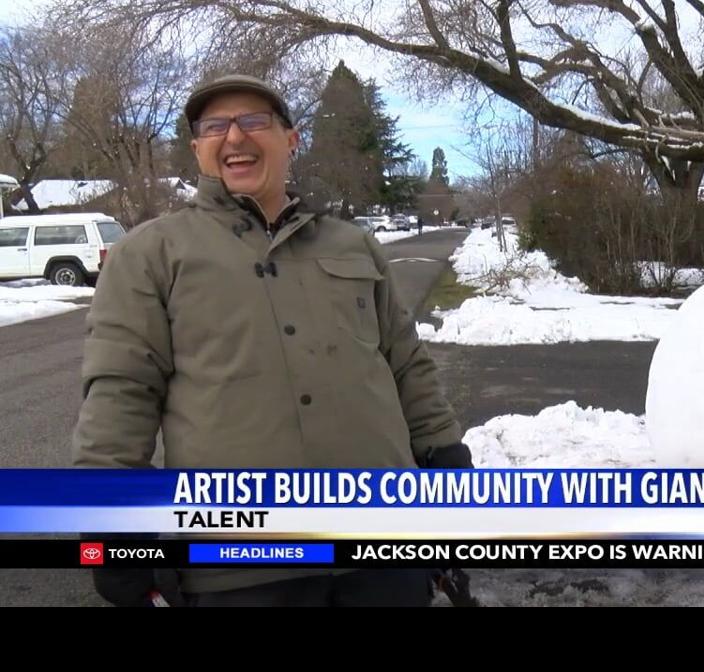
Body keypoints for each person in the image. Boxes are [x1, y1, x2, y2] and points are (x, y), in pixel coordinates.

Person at [73, 74, 471, 607]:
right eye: (215, 126)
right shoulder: (151, 254)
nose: (234, 137)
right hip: (241, 567)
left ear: (292, 139)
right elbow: (121, 394)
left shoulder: (353, 243)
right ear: (197, 150)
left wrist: (446, 461)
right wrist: (112, 533)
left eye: (254, 121)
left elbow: (406, 365)